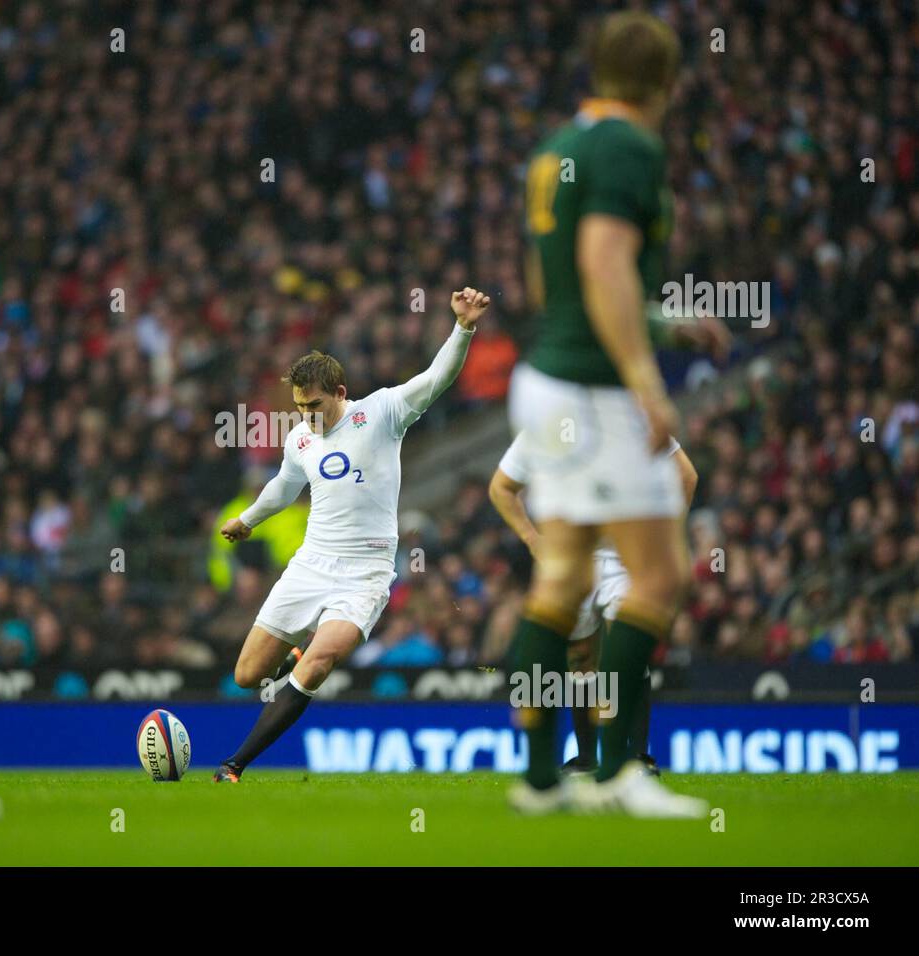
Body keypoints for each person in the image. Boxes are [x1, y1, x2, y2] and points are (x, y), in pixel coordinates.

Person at [507, 11, 728, 816]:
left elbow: (551, 284)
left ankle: (538, 780)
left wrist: (662, 323)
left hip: (547, 377)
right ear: (666, 82)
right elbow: (604, 260)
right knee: (661, 571)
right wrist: (647, 376)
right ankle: (621, 772)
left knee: (561, 578)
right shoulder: (630, 146)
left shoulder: (557, 147)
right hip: (595, 390)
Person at [212, 288, 491, 781]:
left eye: (314, 405)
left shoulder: (382, 413)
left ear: (340, 394)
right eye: (299, 406)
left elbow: (436, 379)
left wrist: (463, 328)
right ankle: (294, 656)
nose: (306, 416)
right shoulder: (301, 438)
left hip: (365, 573)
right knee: (246, 675)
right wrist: (248, 520)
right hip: (311, 564)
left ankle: (235, 764)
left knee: (319, 661)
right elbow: (283, 486)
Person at [489, 430, 698, 775]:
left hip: (626, 555)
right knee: (580, 658)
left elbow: (686, 474)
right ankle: (588, 758)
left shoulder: (624, 411)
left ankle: (636, 757)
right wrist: (531, 539)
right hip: (572, 556)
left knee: (624, 649)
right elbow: (501, 488)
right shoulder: (543, 425)